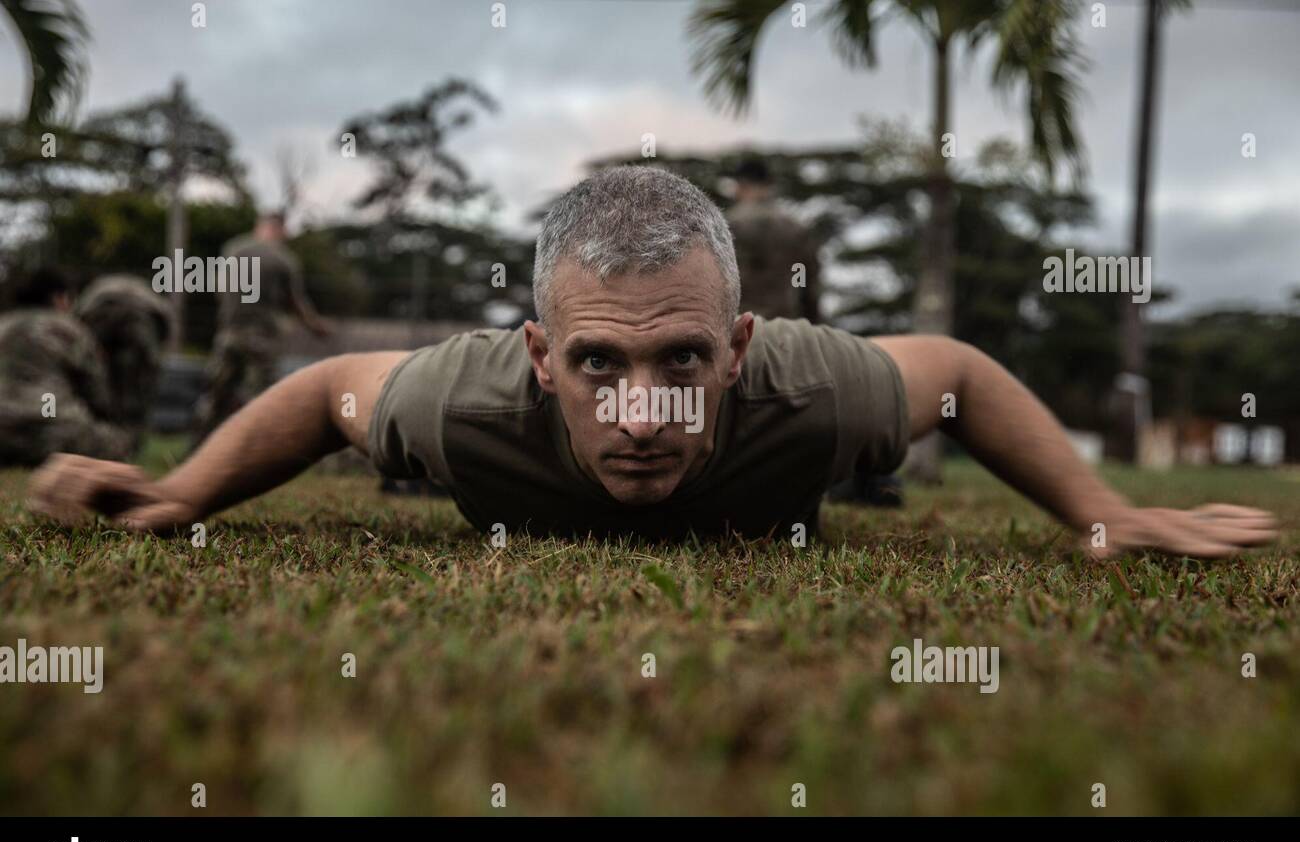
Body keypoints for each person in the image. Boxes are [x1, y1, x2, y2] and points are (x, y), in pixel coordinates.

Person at [27, 167, 1276, 558]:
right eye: (592, 366)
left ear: (737, 350)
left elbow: (953, 367)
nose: (637, 411)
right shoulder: (462, 402)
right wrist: (186, 491)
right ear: (535, 357)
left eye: (682, 357)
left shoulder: (808, 384)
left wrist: (1101, 511)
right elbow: (319, 392)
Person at [0, 271, 169, 466]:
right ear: (59, 298)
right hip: (49, 430)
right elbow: (98, 395)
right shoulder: (67, 329)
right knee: (121, 443)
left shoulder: (3, 325)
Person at [192, 212, 331, 440]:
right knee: (263, 397)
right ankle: (260, 449)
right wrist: (316, 326)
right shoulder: (284, 259)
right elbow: (296, 302)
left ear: (259, 226)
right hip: (262, 338)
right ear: (280, 229)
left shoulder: (233, 249)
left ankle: (199, 446)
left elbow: (219, 290)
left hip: (228, 334)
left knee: (216, 395)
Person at [725, 157, 821, 323]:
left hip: (740, 325)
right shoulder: (795, 227)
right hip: (786, 324)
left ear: (741, 185)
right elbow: (803, 277)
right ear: (769, 184)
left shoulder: (728, 225)